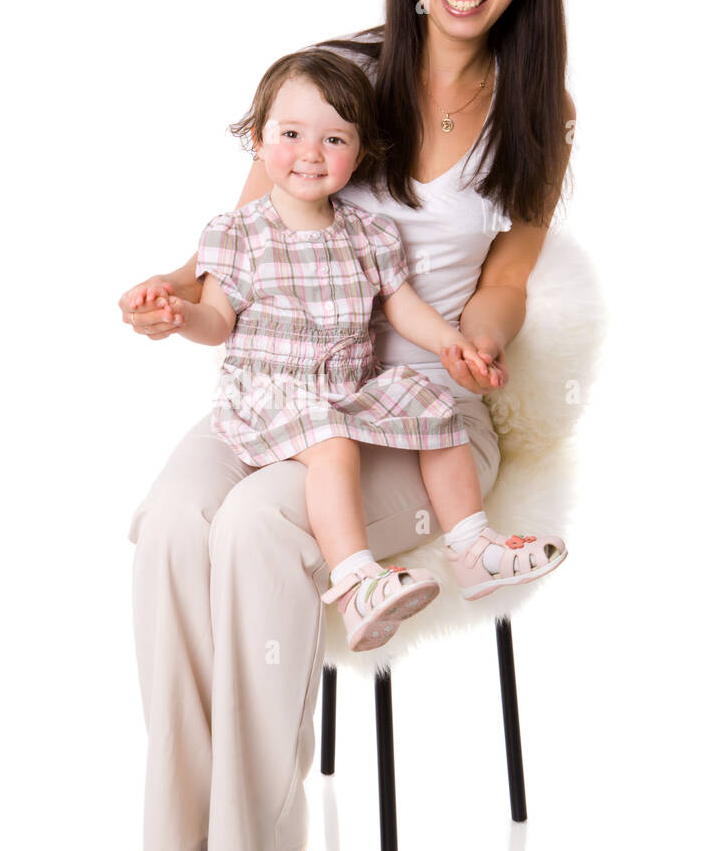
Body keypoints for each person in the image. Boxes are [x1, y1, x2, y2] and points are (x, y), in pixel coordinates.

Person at [119, 0, 575, 851]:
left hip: (416, 409)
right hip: (285, 382)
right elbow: (245, 236)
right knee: (174, 517)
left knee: (261, 524)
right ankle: (182, 849)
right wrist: (179, 294)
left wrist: (482, 336)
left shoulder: (536, 111)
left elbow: (510, 275)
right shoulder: (336, 72)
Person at [171, 48, 565, 657]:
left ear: (359, 155)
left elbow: (402, 306)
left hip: (347, 387)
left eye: (333, 140)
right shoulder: (237, 233)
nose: (310, 153)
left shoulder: (368, 232)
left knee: (433, 409)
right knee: (332, 445)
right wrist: (182, 315)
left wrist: (454, 342)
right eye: (292, 134)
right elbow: (217, 320)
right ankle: (355, 578)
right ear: (257, 138)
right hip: (273, 395)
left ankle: (473, 546)